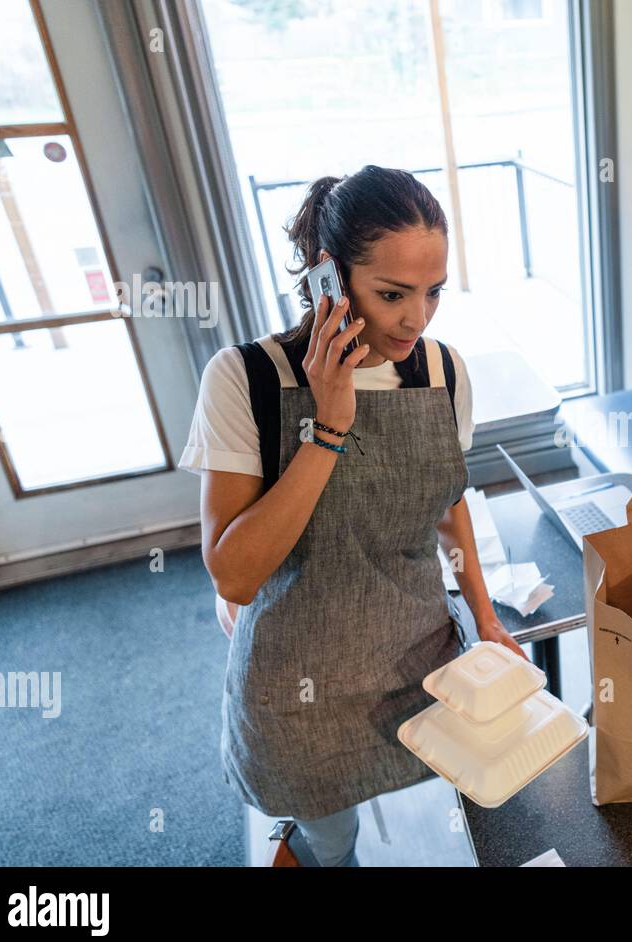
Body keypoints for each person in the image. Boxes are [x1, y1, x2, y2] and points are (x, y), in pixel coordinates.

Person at [179, 166, 524, 866]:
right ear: (327, 276)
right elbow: (237, 577)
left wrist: (486, 620)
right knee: (332, 842)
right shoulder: (244, 380)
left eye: (433, 294)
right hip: (298, 685)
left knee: (473, 807)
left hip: (415, 654)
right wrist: (328, 429)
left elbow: (448, 503)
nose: (415, 319)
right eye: (392, 294)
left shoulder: (442, 372)